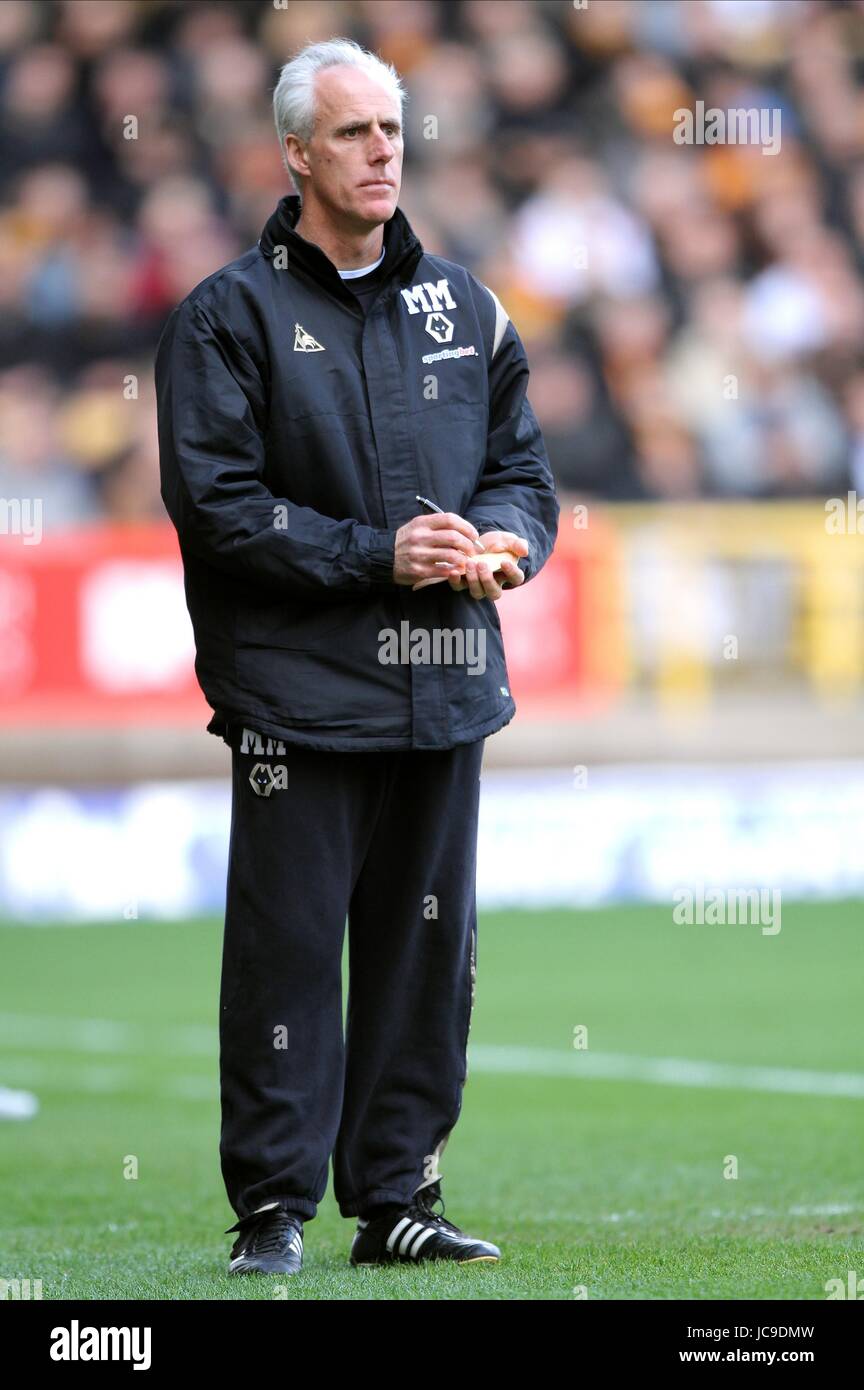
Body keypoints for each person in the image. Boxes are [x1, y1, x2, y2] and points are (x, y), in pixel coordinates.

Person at [155, 36, 559, 1275]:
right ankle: (271, 1210)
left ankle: (399, 1199)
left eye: (392, 129)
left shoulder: (468, 305)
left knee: (426, 954)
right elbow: (219, 507)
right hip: (296, 695)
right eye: (352, 133)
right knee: (285, 956)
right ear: (294, 153)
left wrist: (509, 541)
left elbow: (524, 471)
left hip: (446, 681)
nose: (383, 151)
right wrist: (380, 554)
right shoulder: (230, 315)